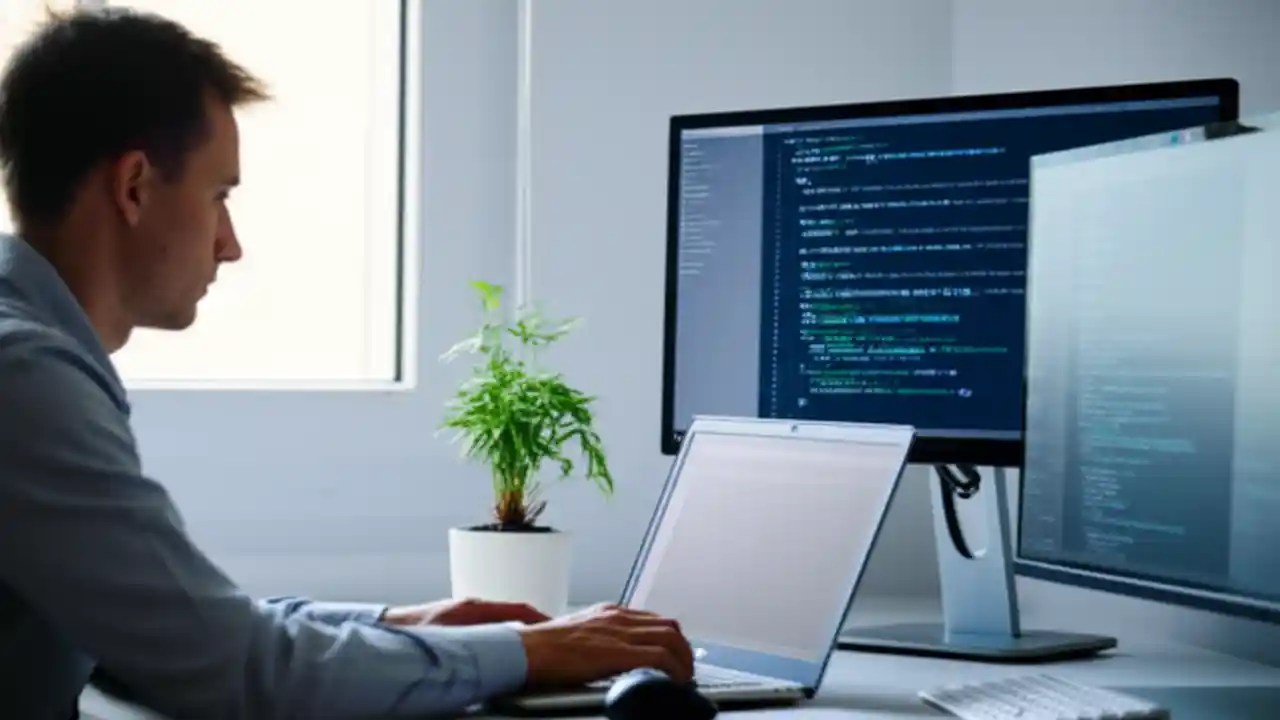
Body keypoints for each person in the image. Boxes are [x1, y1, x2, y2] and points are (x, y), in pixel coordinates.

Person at [0, 8, 692, 720]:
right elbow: (234, 670)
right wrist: (532, 651)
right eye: (219, 197)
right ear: (135, 186)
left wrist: (396, 626)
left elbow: (154, 629)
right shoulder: (25, 379)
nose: (229, 244)